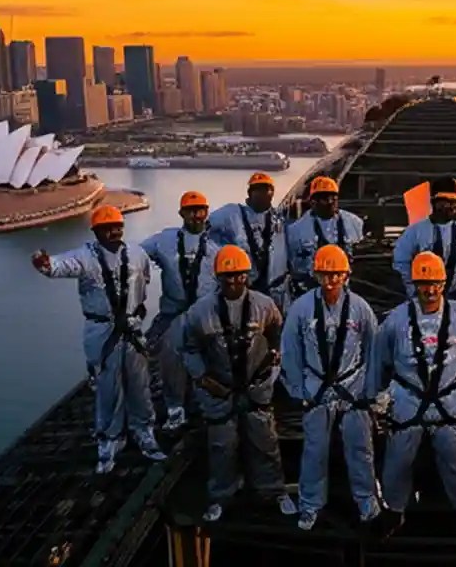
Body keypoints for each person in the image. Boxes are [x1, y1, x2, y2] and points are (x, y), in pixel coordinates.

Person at [32, 205, 167, 474]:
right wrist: (45, 264)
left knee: (139, 384)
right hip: (101, 330)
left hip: (132, 327)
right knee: (108, 387)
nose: (113, 232)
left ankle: (144, 431)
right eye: (107, 228)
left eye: (117, 227)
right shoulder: (85, 256)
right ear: (96, 232)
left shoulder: (137, 253)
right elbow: (60, 266)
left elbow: (145, 282)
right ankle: (110, 439)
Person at [371, 252, 456, 542]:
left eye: (434, 283)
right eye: (423, 284)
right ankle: (394, 513)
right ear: (414, 284)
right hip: (408, 403)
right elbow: (378, 361)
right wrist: (374, 400)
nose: (429, 290)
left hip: (450, 405)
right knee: (397, 462)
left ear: (444, 283)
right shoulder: (395, 321)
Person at [177, 245, 297, 521]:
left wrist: (274, 359)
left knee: (265, 441)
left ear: (247, 276)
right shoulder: (200, 312)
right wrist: (203, 379)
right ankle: (221, 495)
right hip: (220, 389)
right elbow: (189, 348)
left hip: (255, 385)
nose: (233, 281)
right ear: (218, 277)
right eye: (227, 276)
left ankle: (273, 491)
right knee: (222, 445)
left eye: (238, 275)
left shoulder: (263, 305)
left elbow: (277, 331)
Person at [280, 244, 380, 530]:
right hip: (316, 390)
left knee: (361, 449)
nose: (331, 281)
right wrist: (299, 391)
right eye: (325, 274)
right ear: (316, 275)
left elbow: (374, 350)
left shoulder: (360, 308)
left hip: (353, 388)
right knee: (314, 451)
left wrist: (370, 391)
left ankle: (366, 502)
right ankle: (310, 504)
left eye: (336, 274)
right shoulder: (301, 309)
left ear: (346, 275)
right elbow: (290, 351)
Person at [140, 190, 220, 431]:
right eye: (190, 211)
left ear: (207, 213)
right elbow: (133, 255)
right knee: (169, 358)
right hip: (174, 313)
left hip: (205, 313)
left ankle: (207, 402)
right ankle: (175, 408)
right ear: (181, 213)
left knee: (212, 358)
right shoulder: (164, 240)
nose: (196, 216)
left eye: (200, 211)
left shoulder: (218, 246)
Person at [209, 172, 289, 309]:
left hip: (276, 291)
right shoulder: (232, 214)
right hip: (245, 289)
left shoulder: (279, 218)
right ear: (249, 193)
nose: (263, 194)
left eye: (267, 189)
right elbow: (203, 226)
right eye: (258, 190)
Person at [286, 176, 364, 299]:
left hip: (348, 289)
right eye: (324, 198)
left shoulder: (354, 223)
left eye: (333, 197)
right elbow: (295, 267)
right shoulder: (296, 230)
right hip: (312, 290)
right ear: (313, 202)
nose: (330, 202)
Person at [392, 177, 456, 298]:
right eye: (444, 202)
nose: (450, 207)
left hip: (454, 297)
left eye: (454, 202)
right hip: (422, 296)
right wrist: (413, 290)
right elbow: (401, 263)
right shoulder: (415, 231)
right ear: (434, 202)